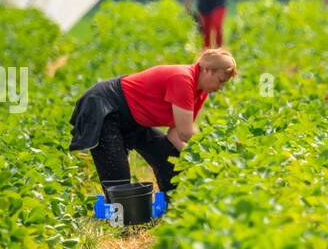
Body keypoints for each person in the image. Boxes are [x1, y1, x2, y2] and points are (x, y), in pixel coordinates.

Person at [68, 47, 238, 196]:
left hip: (134, 118)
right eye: (221, 80)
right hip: (106, 106)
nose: (221, 87)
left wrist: (193, 159)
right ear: (207, 70)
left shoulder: (200, 92)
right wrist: (213, 153)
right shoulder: (183, 79)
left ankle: (172, 209)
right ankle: (120, 224)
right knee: (117, 177)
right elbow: (186, 133)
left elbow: (175, 134)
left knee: (170, 159)